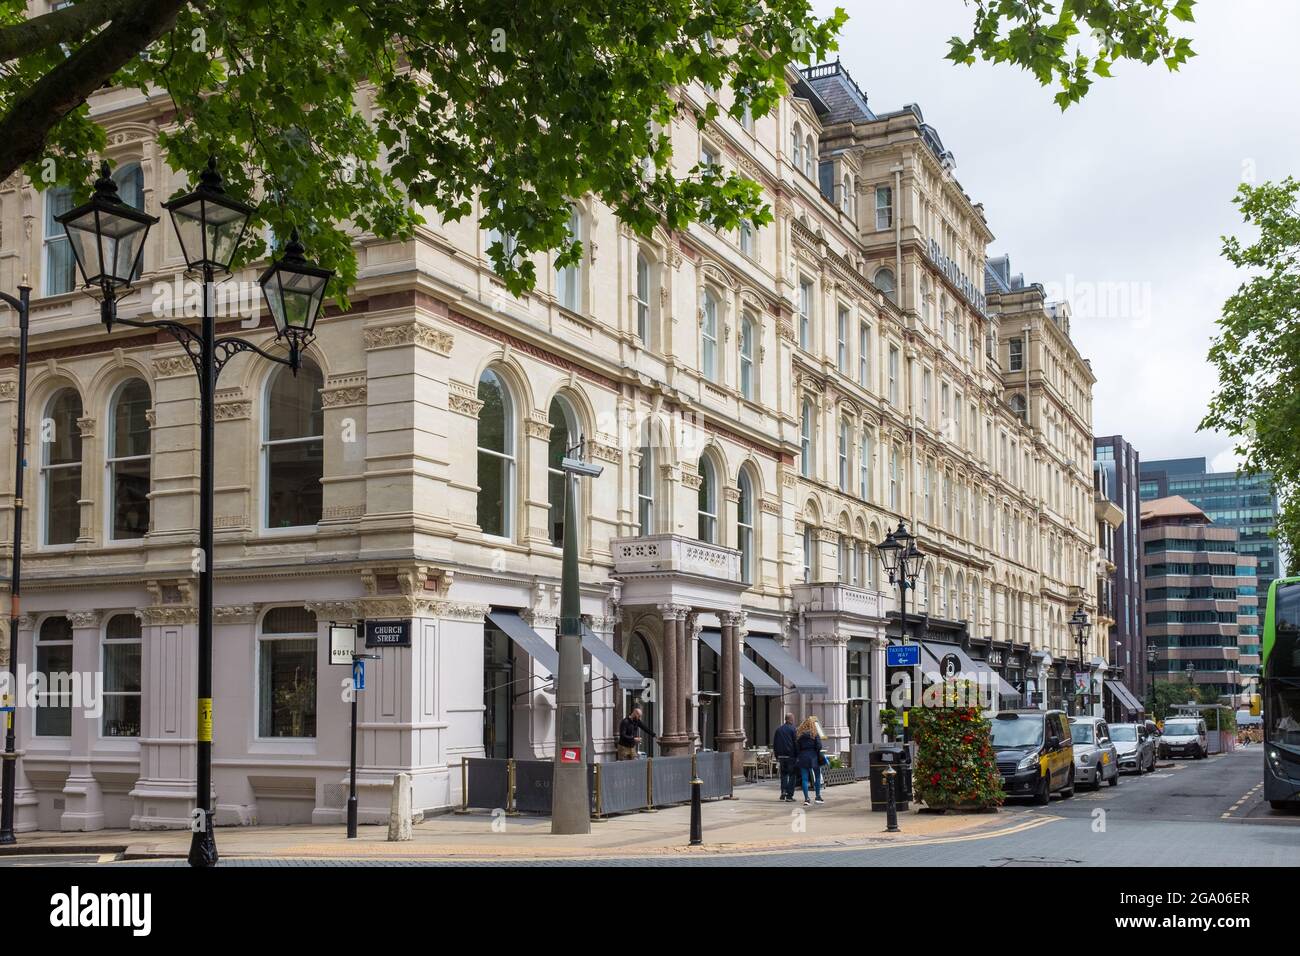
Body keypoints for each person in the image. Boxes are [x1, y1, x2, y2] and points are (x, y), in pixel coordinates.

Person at [795, 716, 824, 806]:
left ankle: (806, 799)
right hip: (813, 757)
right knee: (817, 777)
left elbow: (797, 748)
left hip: (803, 756)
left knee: (804, 778)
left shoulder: (800, 735)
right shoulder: (815, 734)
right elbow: (819, 746)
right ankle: (818, 796)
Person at [772, 713, 798, 801]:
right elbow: (796, 743)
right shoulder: (793, 729)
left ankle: (783, 792)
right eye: (793, 718)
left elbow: (775, 744)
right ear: (790, 719)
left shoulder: (778, 730)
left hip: (781, 757)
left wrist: (776, 756)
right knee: (792, 775)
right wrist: (798, 755)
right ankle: (789, 795)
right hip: (791, 756)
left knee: (783, 775)